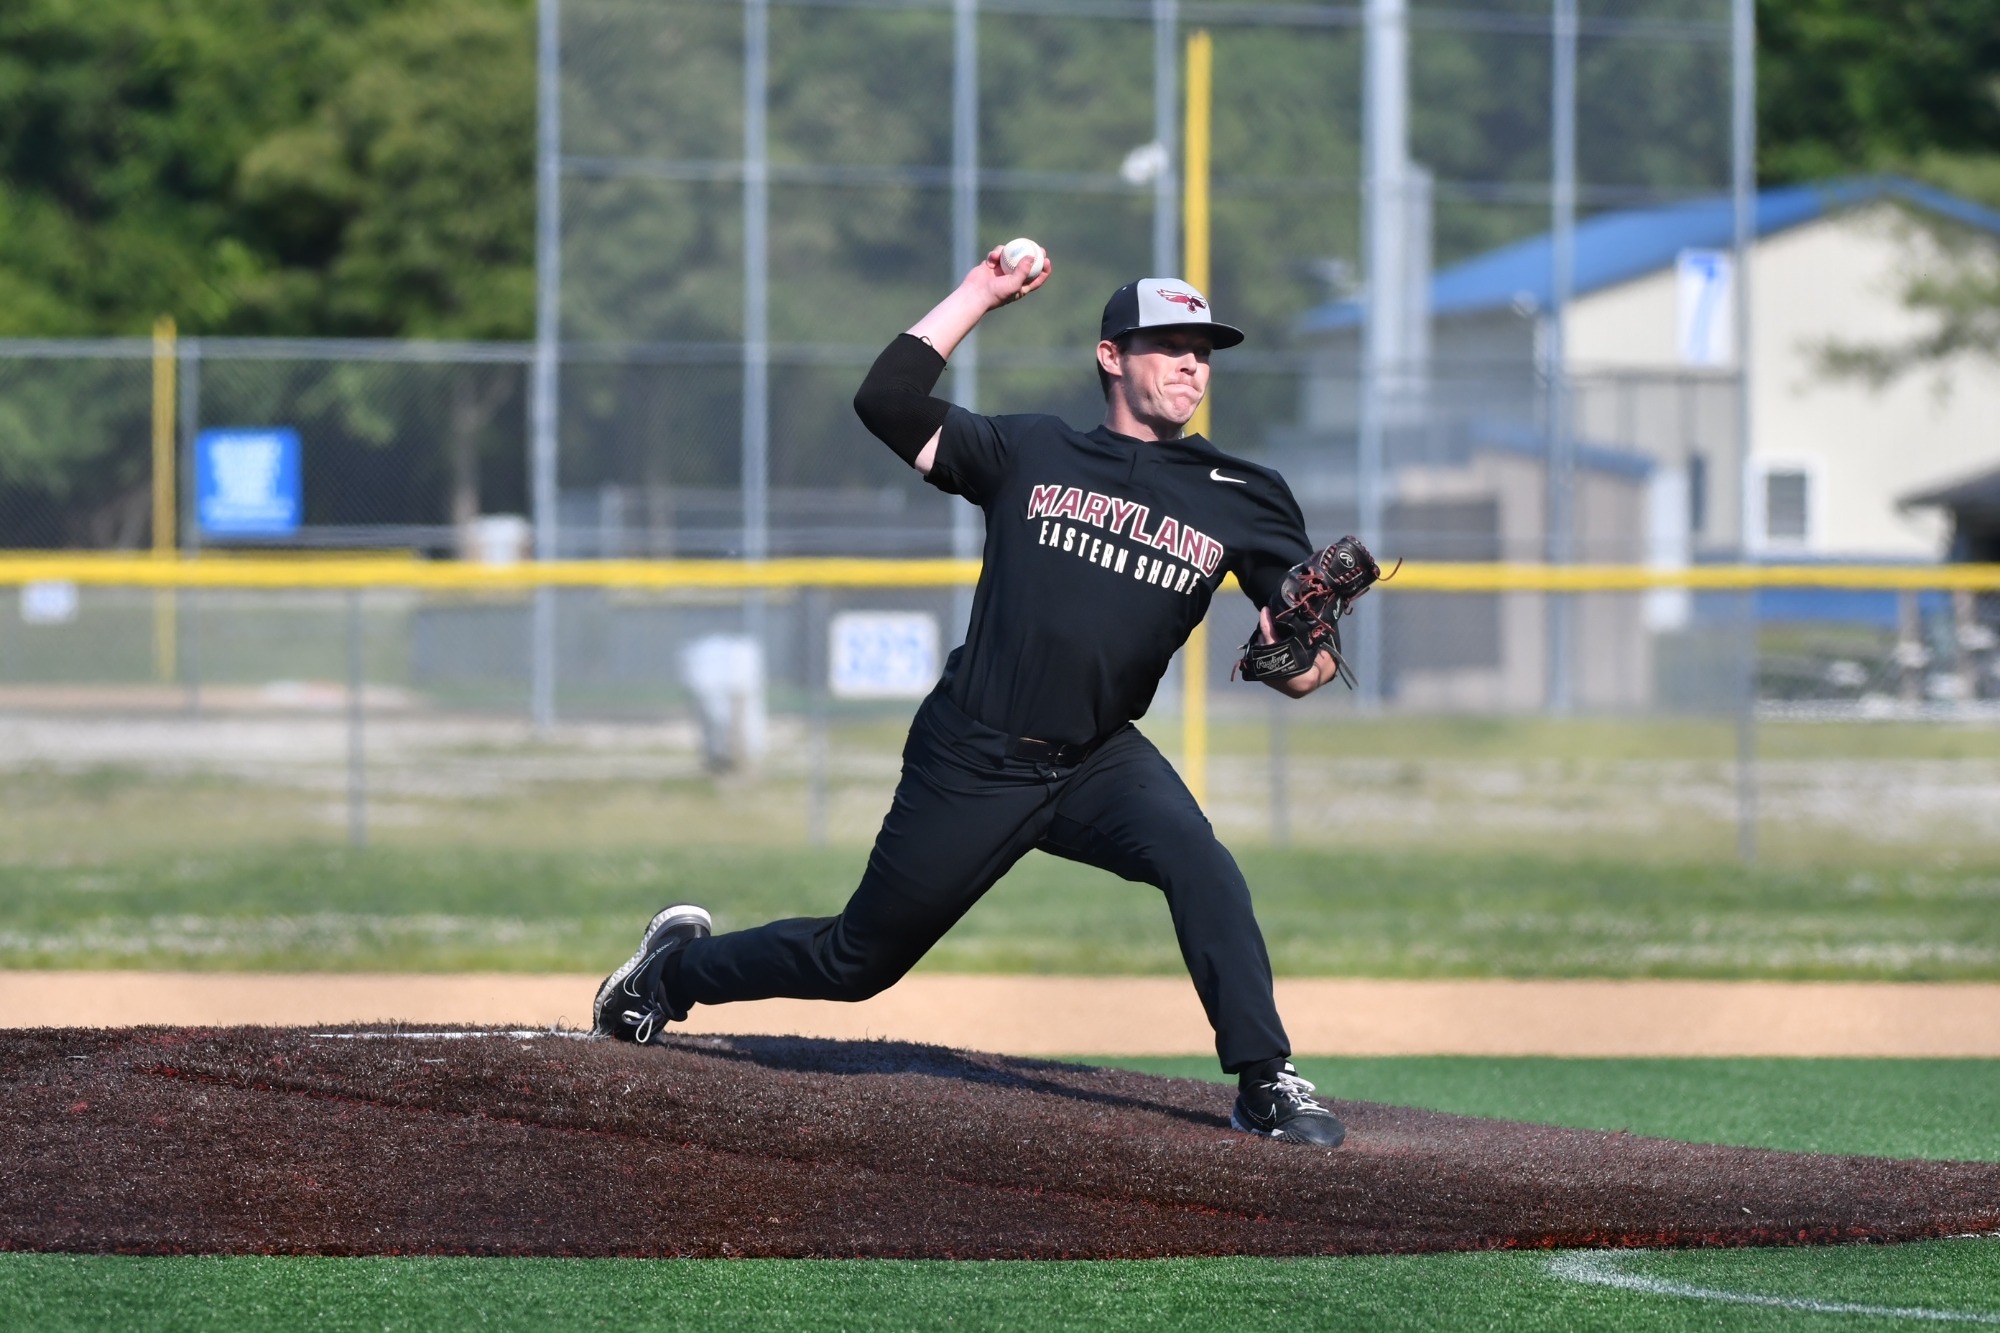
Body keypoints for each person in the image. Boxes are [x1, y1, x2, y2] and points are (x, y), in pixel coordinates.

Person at [595, 245, 1353, 1146]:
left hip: (1099, 757)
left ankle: (1266, 1079)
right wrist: (979, 292)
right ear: (1112, 355)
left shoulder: (1246, 496)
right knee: (857, 960)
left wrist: (1292, 656)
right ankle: (670, 974)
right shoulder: (1030, 449)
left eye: (1204, 347)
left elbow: (1304, 669)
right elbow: (885, 403)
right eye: (1168, 343)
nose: (1192, 362)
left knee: (1204, 866)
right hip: (974, 752)